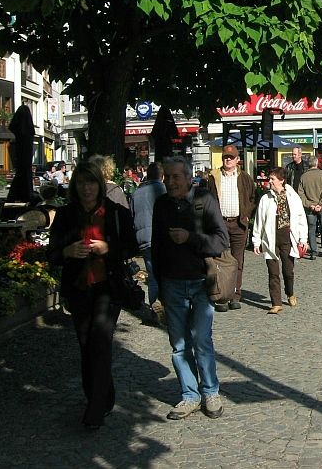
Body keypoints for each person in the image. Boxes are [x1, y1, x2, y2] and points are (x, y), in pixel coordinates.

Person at [46, 161, 137, 430]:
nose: (87, 188)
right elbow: (51, 253)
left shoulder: (116, 212)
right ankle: (102, 397)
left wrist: (108, 247)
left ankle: (95, 409)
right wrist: (67, 251)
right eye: (82, 183)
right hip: (78, 288)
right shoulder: (65, 215)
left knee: (100, 340)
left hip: (108, 287)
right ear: (75, 186)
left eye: (92, 183)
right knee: (87, 345)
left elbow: (131, 246)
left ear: (100, 185)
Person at [152, 156, 229, 421]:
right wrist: (157, 285)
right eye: (166, 177)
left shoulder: (204, 200)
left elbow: (221, 240)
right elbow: (156, 246)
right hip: (172, 283)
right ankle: (190, 395)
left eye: (175, 177)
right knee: (179, 344)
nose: (170, 182)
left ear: (188, 177)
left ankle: (210, 391)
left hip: (200, 281)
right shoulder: (161, 204)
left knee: (202, 340)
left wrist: (190, 238)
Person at [206, 145, 256, 312]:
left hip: (238, 223)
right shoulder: (214, 177)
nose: (228, 160)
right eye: (226, 157)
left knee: (237, 260)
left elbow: (252, 198)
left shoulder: (244, 178)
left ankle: (235, 294)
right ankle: (221, 296)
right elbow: (207, 198)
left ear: (237, 160)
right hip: (219, 224)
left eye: (231, 157)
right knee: (220, 260)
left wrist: (247, 215)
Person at [251, 167, 308, 314]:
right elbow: (259, 220)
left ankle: (290, 293)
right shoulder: (265, 198)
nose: (269, 181)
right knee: (273, 272)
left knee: (288, 271)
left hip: (288, 238)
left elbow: (301, 218)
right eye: (269, 178)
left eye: (272, 179)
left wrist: (303, 239)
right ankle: (276, 303)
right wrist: (256, 240)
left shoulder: (293, 197)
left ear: (281, 180)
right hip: (270, 239)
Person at [130, 162, 166, 312]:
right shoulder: (163, 189)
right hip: (161, 238)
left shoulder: (136, 193)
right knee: (165, 273)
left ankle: (154, 307)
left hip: (143, 239)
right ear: (162, 176)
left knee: (152, 275)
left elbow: (131, 216)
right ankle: (165, 305)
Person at [297, 156, 322, 259]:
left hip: (309, 207)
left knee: (311, 229)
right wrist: (320, 204)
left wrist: (309, 204)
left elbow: (300, 194)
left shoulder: (303, 176)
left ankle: (313, 252)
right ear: (316, 163)